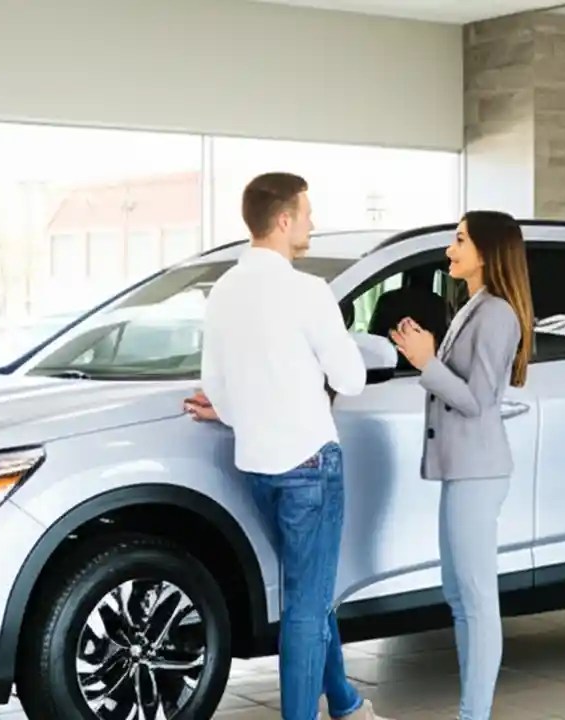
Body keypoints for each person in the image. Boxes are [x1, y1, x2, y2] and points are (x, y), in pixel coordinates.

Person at [184, 173, 390, 720]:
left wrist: (237, 406)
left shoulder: (223, 291)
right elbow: (350, 378)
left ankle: (345, 703)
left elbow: (218, 386)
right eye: (306, 213)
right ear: (283, 221)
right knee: (305, 604)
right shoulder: (306, 291)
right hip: (310, 463)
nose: (312, 223)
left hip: (256, 465)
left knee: (311, 589)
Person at [389, 210, 534, 720]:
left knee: (474, 599)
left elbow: (477, 400)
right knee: (460, 594)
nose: (450, 250)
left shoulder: (496, 313)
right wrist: (423, 355)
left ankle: (474, 715)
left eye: (459, 240)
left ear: (487, 251)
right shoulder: (478, 306)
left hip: (478, 470)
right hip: (463, 469)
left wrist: (427, 362)